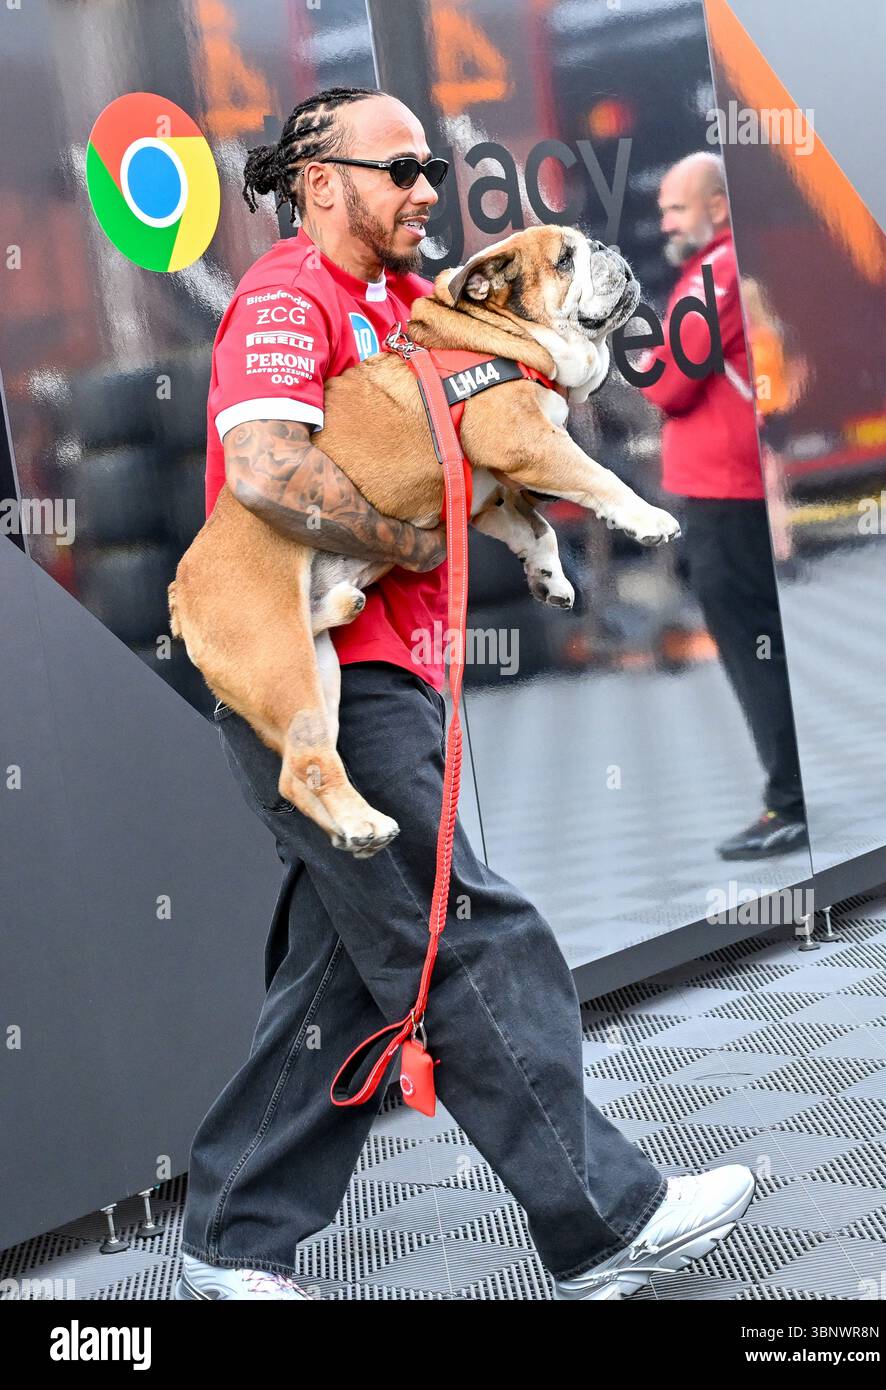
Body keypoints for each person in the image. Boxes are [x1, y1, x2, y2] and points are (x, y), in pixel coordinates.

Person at [174, 89, 754, 1301]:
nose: (428, 188)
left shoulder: (408, 303)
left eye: (431, 166)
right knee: (470, 937)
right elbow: (270, 471)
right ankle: (608, 1221)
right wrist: (411, 529)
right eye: (399, 169)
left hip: (398, 672)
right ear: (319, 182)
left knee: (339, 982)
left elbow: (482, 444)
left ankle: (228, 1242)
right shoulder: (288, 299)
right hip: (334, 677)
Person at [638, 152, 808, 860]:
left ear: (713, 205)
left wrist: (640, 359)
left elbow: (669, 384)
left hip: (719, 486)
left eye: (677, 209)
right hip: (726, 481)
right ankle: (791, 792)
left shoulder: (711, 276)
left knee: (747, 644)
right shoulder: (714, 273)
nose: (666, 222)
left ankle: (788, 804)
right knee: (753, 639)